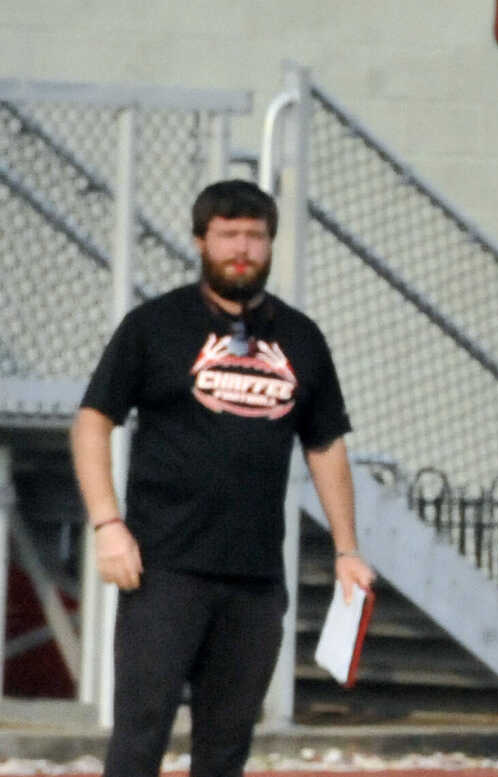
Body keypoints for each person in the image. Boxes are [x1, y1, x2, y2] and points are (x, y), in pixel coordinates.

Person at [69, 179, 374, 777]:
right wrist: (107, 525)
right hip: (163, 571)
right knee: (140, 737)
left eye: (255, 236)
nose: (242, 249)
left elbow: (325, 445)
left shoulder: (301, 337)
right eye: (228, 234)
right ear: (200, 241)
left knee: (226, 748)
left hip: (255, 579)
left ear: (271, 244)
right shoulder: (155, 326)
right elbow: (92, 422)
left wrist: (347, 550)